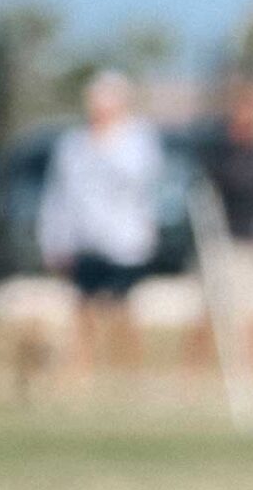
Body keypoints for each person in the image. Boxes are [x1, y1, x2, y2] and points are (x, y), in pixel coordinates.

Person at [37, 69, 163, 387]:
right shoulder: (73, 144)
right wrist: (53, 240)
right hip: (84, 239)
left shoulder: (137, 139)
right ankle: (81, 371)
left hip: (125, 241)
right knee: (83, 305)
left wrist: (107, 142)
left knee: (121, 306)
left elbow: (142, 179)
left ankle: (131, 373)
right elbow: (58, 195)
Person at [184, 76, 253, 374]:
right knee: (210, 311)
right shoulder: (220, 151)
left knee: (251, 312)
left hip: (249, 241)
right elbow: (205, 187)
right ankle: (192, 373)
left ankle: (249, 372)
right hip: (219, 240)